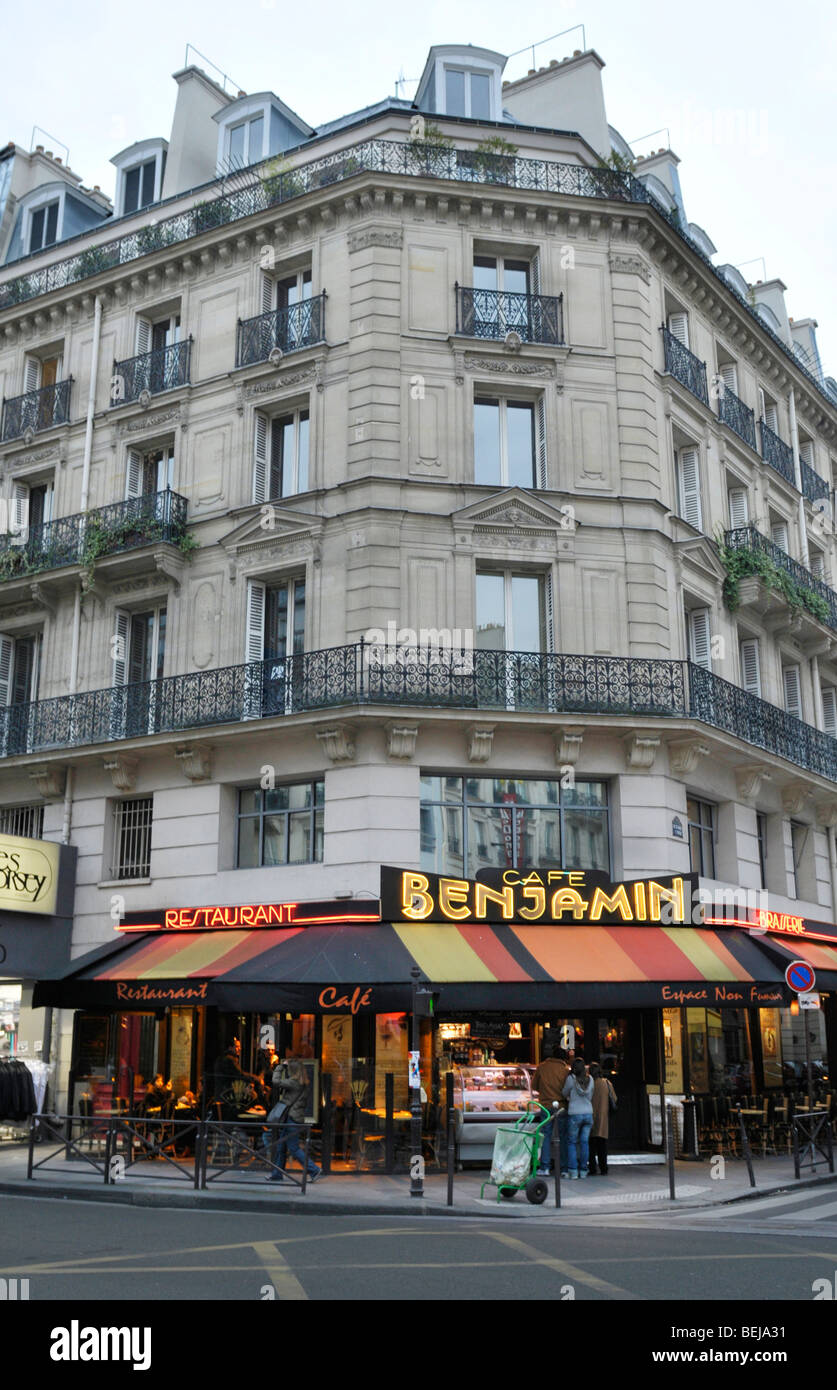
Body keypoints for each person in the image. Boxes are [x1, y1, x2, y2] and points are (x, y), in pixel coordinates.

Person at [266, 1060, 321, 1183]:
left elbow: (275, 1082)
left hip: (291, 1119)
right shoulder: (303, 1083)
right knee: (281, 1147)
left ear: (293, 1071)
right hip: (293, 1118)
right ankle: (276, 1174)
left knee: (293, 1148)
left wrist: (281, 1067)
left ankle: (314, 1169)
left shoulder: (294, 1083)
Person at [533, 1045, 571, 1176]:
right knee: (563, 1138)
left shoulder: (542, 1067)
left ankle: (545, 1167)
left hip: (545, 1106)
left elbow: (534, 1086)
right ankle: (564, 1169)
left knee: (546, 1136)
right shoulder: (566, 1070)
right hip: (561, 1107)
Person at [562, 1057, 595, 1178]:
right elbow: (591, 1095)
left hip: (575, 1114)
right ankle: (583, 1170)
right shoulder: (591, 1079)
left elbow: (564, 1093)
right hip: (588, 1113)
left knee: (572, 1142)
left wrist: (570, 1098)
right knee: (584, 1142)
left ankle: (573, 1171)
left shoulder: (571, 1079)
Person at [588, 1062, 617, 1175]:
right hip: (603, 1117)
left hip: (591, 1116)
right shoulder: (607, 1083)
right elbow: (614, 1098)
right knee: (602, 1145)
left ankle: (592, 1168)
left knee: (591, 1145)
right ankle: (604, 1168)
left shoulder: (589, 1084)